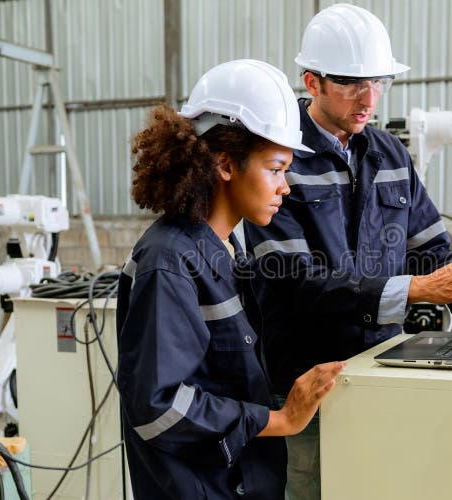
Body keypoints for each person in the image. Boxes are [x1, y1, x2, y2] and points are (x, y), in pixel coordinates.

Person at [243, 4, 452, 499]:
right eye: (353, 84)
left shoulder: (390, 154)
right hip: (307, 385)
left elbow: (428, 247)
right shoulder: (282, 160)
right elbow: (293, 283)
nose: (369, 98)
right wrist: (417, 289)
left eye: (379, 82)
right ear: (313, 82)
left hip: (383, 370)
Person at [116, 59, 345, 500]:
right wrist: (280, 420)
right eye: (276, 168)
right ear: (225, 163)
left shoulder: (226, 247)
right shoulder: (169, 261)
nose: (286, 186)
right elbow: (157, 407)